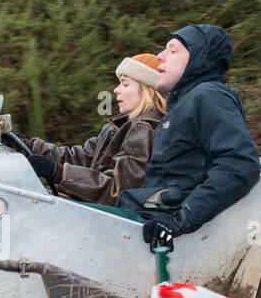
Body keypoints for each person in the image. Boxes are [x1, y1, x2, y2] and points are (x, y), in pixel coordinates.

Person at [117, 24, 261, 249]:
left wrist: (179, 221)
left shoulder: (209, 96)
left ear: (198, 58)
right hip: (146, 211)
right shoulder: (184, 101)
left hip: (166, 227)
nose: (160, 57)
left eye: (172, 50)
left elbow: (239, 164)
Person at [22, 54, 165, 204]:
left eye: (125, 84)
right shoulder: (121, 126)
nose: (116, 90)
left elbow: (117, 189)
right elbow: (83, 158)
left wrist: (58, 173)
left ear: (147, 89)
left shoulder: (144, 129)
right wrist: (32, 146)